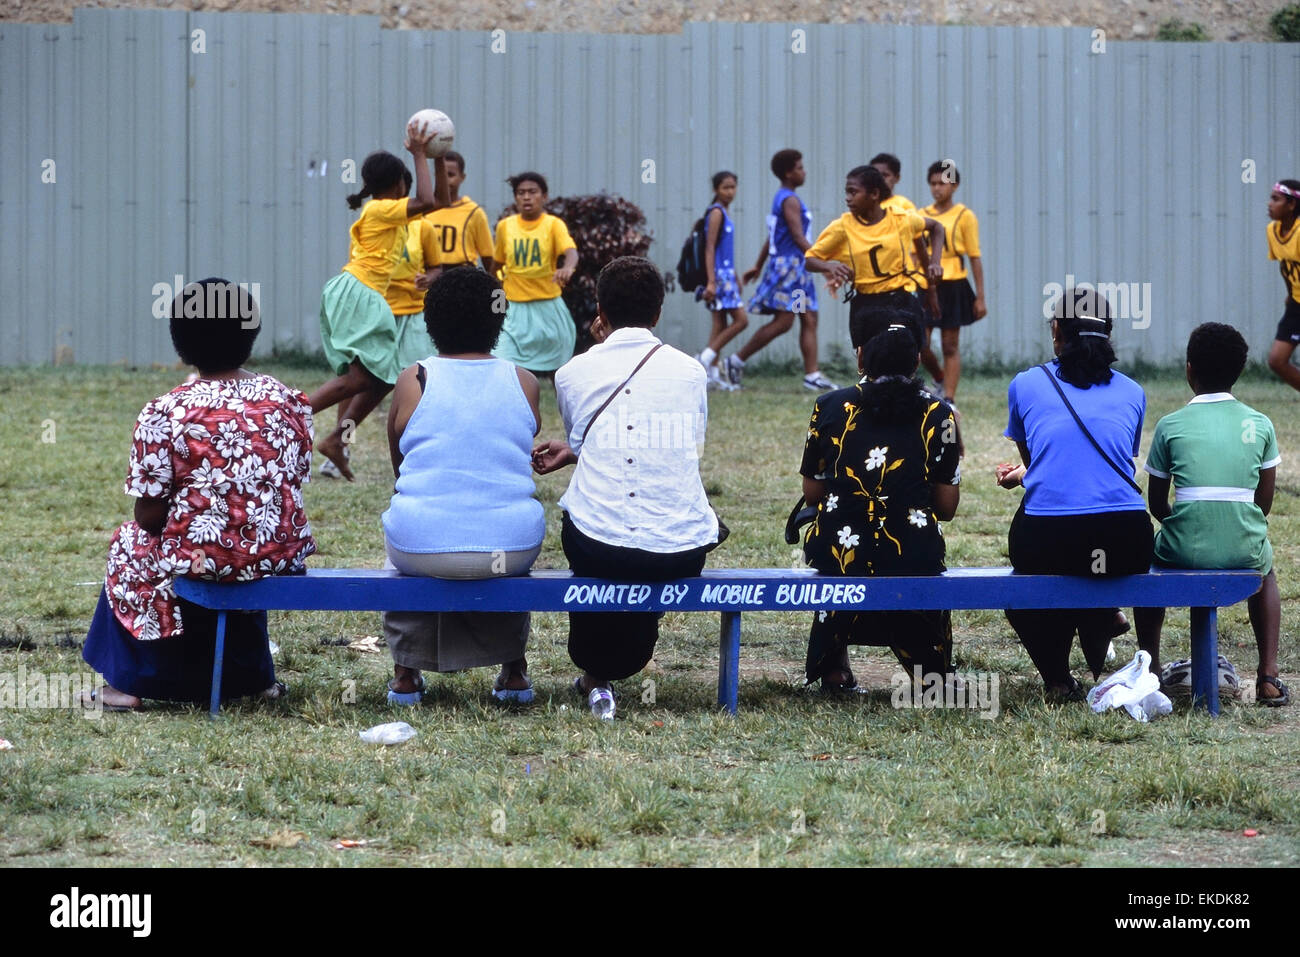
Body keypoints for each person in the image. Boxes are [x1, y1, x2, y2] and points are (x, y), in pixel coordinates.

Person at [79, 279, 316, 711]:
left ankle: (129, 682)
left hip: (209, 558)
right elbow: (295, 478)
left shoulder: (165, 411)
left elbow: (150, 518)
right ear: (251, 336)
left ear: (181, 344)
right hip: (279, 553)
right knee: (235, 546)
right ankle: (255, 677)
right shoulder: (287, 401)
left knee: (132, 542)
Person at [532, 256, 718, 720]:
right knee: (648, 547)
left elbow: (586, 437)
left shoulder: (572, 372)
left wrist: (600, 351)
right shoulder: (692, 371)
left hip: (598, 546)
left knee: (595, 533)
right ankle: (609, 665)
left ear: (600, 310)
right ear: (658, 312)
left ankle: (597, 672)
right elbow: (686, 447)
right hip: (679, 551)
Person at [380, 268, 545, 705]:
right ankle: (513, 673)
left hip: (419, 545)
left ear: (430, 323)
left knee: (407, 524)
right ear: (499, 321)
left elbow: (402, 467)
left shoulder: (413, 378)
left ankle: (405, 675)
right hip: (510, 548)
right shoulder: (524, 380)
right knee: (504, 544)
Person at [995, 289, 1152, 700]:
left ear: (1057, 331)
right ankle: (1100, 612)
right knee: (1088, 565)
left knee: (1025, 590)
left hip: (1049, 538)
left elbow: (1038, 462)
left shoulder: (1026, 384)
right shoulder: (1133, 391)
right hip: (1127, 538)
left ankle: (1058, 679)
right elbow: (1116, 462)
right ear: (1109, 335)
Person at [799, 324, 961, 692]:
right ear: (918, 361)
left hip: (841, 551)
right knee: (913, 566)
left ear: (861, 358)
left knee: (840, 560)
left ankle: (834, 667)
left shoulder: (829, 405)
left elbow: (811, 494)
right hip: (914, 552)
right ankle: (929, 671)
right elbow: (947, 508)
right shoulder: (940, 413)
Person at [1135, 323, 1288, 706]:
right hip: (1243, 549)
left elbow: (1157, 504)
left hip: (1181, 549)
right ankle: (1268, 677)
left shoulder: (1171, 425)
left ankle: (1150, 670)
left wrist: (1186, 524)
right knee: (1266, 569)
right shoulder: (1260, 424)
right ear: (1239, 371)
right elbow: (1263, 504)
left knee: (1149, 566)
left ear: (1189, 370)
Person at [308, 126, 451, 480]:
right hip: (360, 292)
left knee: (383, 377)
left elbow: (441, 203)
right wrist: (419, 154)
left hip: (362, 294)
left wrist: (438, 156)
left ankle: (336, 441)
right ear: (399, 185)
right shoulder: (380, 210)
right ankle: (286, 412)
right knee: (360, 377)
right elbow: (429, 201)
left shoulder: (392, 216)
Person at [804, 165, 945, 355]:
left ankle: (915, 382)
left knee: (903, 357)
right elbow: (810, 260)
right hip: (866, 303)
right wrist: (828, 265)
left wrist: (935, 263)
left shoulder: (900, 219)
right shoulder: (842, 227)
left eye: (853, 192)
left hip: (900, 299)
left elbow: (937, 227)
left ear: (874, 194)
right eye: (846, 192)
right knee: (873, 365)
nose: (847, 198)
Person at [733, 149, 836, 392]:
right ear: (789, 173)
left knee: (809, 317)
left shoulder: (784, 198)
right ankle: (735, 361)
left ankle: (812, 375)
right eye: (800, 167)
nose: (804, 171)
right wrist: (823, 265)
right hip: (791, 267)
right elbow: (798, 237)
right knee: (784, 321)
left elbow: (773, 237)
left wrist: (758, 265)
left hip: (796, 266)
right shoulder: (789, 199)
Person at [492, 171, 579, 377]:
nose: (526, 197)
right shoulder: (506, 226)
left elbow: (571, 252)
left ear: (544, 196)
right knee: (502, 361)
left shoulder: (553, 225)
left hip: (548, 306)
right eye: (521, 193)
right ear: (515, 198)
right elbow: (496, 265)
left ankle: (563, 409)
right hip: (514, 308)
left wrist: (568, 268)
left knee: (560, 370)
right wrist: (493, 294)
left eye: (533, 192)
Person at [918, 160, 987, 407]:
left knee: (950, 344)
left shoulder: (965, 216)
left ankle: (949, 397)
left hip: (954, 284)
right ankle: (938, 376)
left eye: (943, 183)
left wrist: (980, 296)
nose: (937, 188)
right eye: (933, 183)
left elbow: (975, 257)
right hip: (926, 284)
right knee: (920, 342)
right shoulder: (921, 215)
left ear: (954, 185)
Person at [695, 170, 748, 390]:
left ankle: (712, 373)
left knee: (720, 323)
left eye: (733, 187)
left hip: (726, 275)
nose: (730, 192)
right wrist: (711, 281)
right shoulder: (716, 212)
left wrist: (735, 275)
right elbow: (709, 248)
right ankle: (704, 360)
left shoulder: (724, 212)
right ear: (716, 189)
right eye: (725, 187)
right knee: (741, 320)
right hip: (718, 276)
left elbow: (723, 250)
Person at [422, 150, 497, 275]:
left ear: (462, 177)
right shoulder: (425, 209)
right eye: (442, 175)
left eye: (451, 175)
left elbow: (487, 256)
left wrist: (495, 286)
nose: (446, 180)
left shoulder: (474, 212)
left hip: (463, 274)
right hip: (430, 274)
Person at [1264, 179, 1300, 392]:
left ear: (1292, 205)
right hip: (1296, 303)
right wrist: (1290, 294)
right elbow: (1285, 266)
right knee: (1277, 360)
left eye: (1276, 199)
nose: (1269, 203)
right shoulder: (1273, 230)